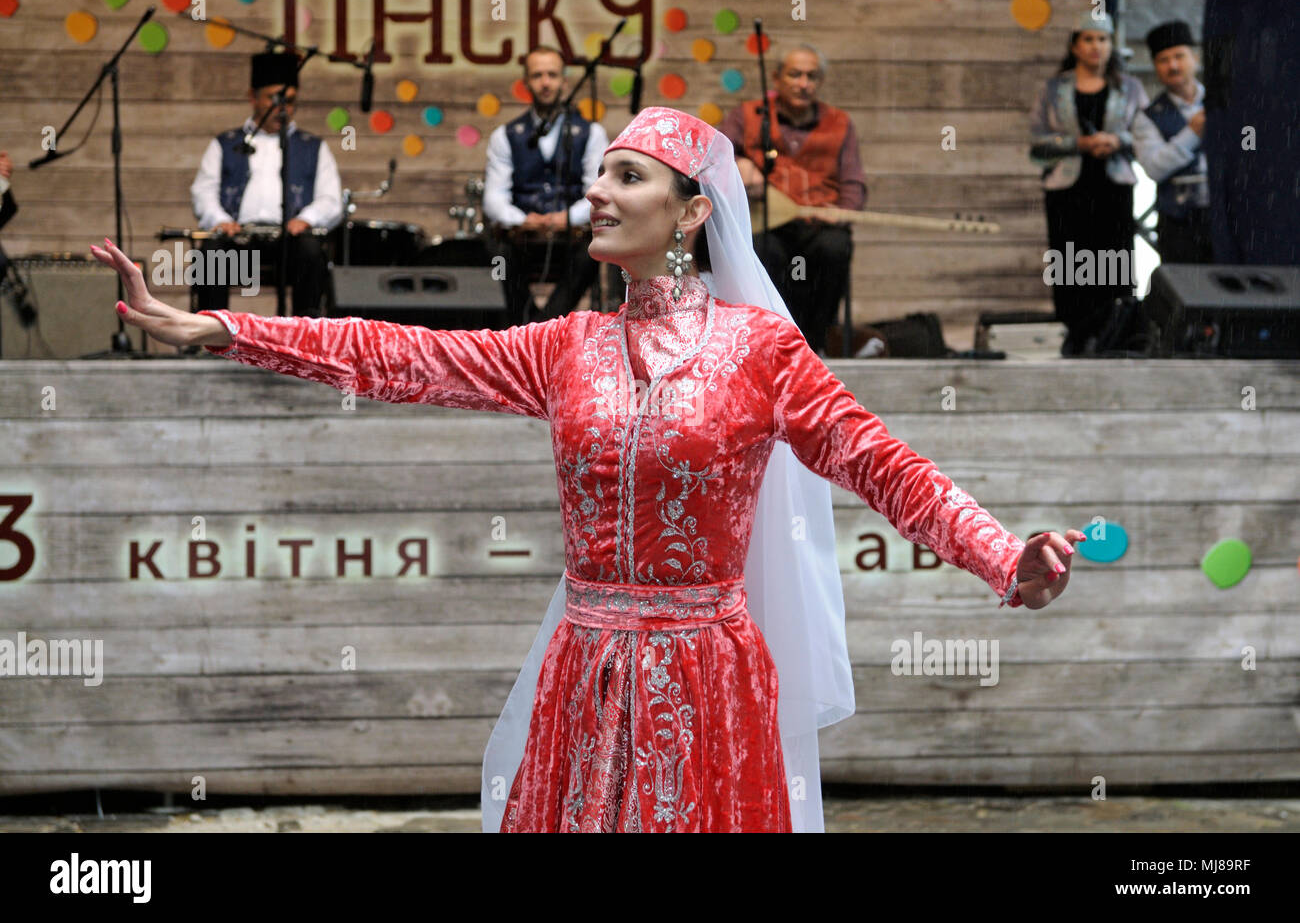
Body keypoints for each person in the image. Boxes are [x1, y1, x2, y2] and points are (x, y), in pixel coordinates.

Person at [93, 106, 1084, 833]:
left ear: (691, 214)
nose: (595, 193)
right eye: (597, 174)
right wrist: (217, 326)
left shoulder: (760, 353)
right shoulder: (566, 346)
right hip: (587, 670)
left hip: (708, 674)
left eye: (626, 175)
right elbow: (395, 353)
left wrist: (1004, 555)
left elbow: (884, 465)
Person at [719, 43, 867, 356]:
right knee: (761, 249)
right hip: (767, 222)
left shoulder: (839, 123)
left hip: (817, 225)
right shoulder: (747, 116)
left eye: (811, 76)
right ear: (776, 78)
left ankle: (814, 346)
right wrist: (739, 164)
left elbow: (854, 183)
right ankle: (768, 343)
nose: (803, 83)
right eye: (795, 75)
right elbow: (714, 159)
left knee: (835, 247)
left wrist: (844, 211)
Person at [1030, 12, 1149, 356]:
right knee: (1070, 262)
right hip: (1068, 189)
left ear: (1112, 45)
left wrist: (1117, 141)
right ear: (1075, 45)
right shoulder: (1054, 88)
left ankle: (1115, 334)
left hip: (1113, 186)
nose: (1096, 46)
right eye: (1088, 39)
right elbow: (1037, 143)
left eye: (1103, 39)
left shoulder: (1130, 87)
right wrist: (1077, 144)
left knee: (1113, 260)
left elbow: (1145, 132)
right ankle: (1077, 335)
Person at [190, 51, 343, 316]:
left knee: (311, 251)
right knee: (212, 251)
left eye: (290, 100)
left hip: (289, 243)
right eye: (275, 98)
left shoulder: (313, 147)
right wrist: (220, 220)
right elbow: (203, 191)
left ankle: (304, 340)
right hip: (238, 241)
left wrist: (306, 219)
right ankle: (211, 337)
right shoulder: (225, 143)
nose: (283, 107)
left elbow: (331, 200)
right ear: (253, 97)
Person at [483, 46, 608, 325]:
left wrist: (565, 218)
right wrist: (523, 220)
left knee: (594, 247)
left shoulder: (592, 133)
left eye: (552, 74)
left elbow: (599, 191)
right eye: (537, 75)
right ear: (526, 82)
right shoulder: (505, 135)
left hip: (571, 234)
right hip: (523, 235)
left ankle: (542, 326)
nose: (545, 82)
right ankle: (525, 324)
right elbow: (494, 198)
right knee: (496, 248)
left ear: (565, 81)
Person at [1131, 20, 1213, 264]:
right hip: (1179, 222)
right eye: (1163, 60)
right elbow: (1154, 168)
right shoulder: (1148, 116)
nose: (1173, 65)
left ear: (1195, 58)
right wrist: (1192, 133)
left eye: (1179, 56)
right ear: (1155, 67)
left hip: (1227, 218)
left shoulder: (1226, 104)